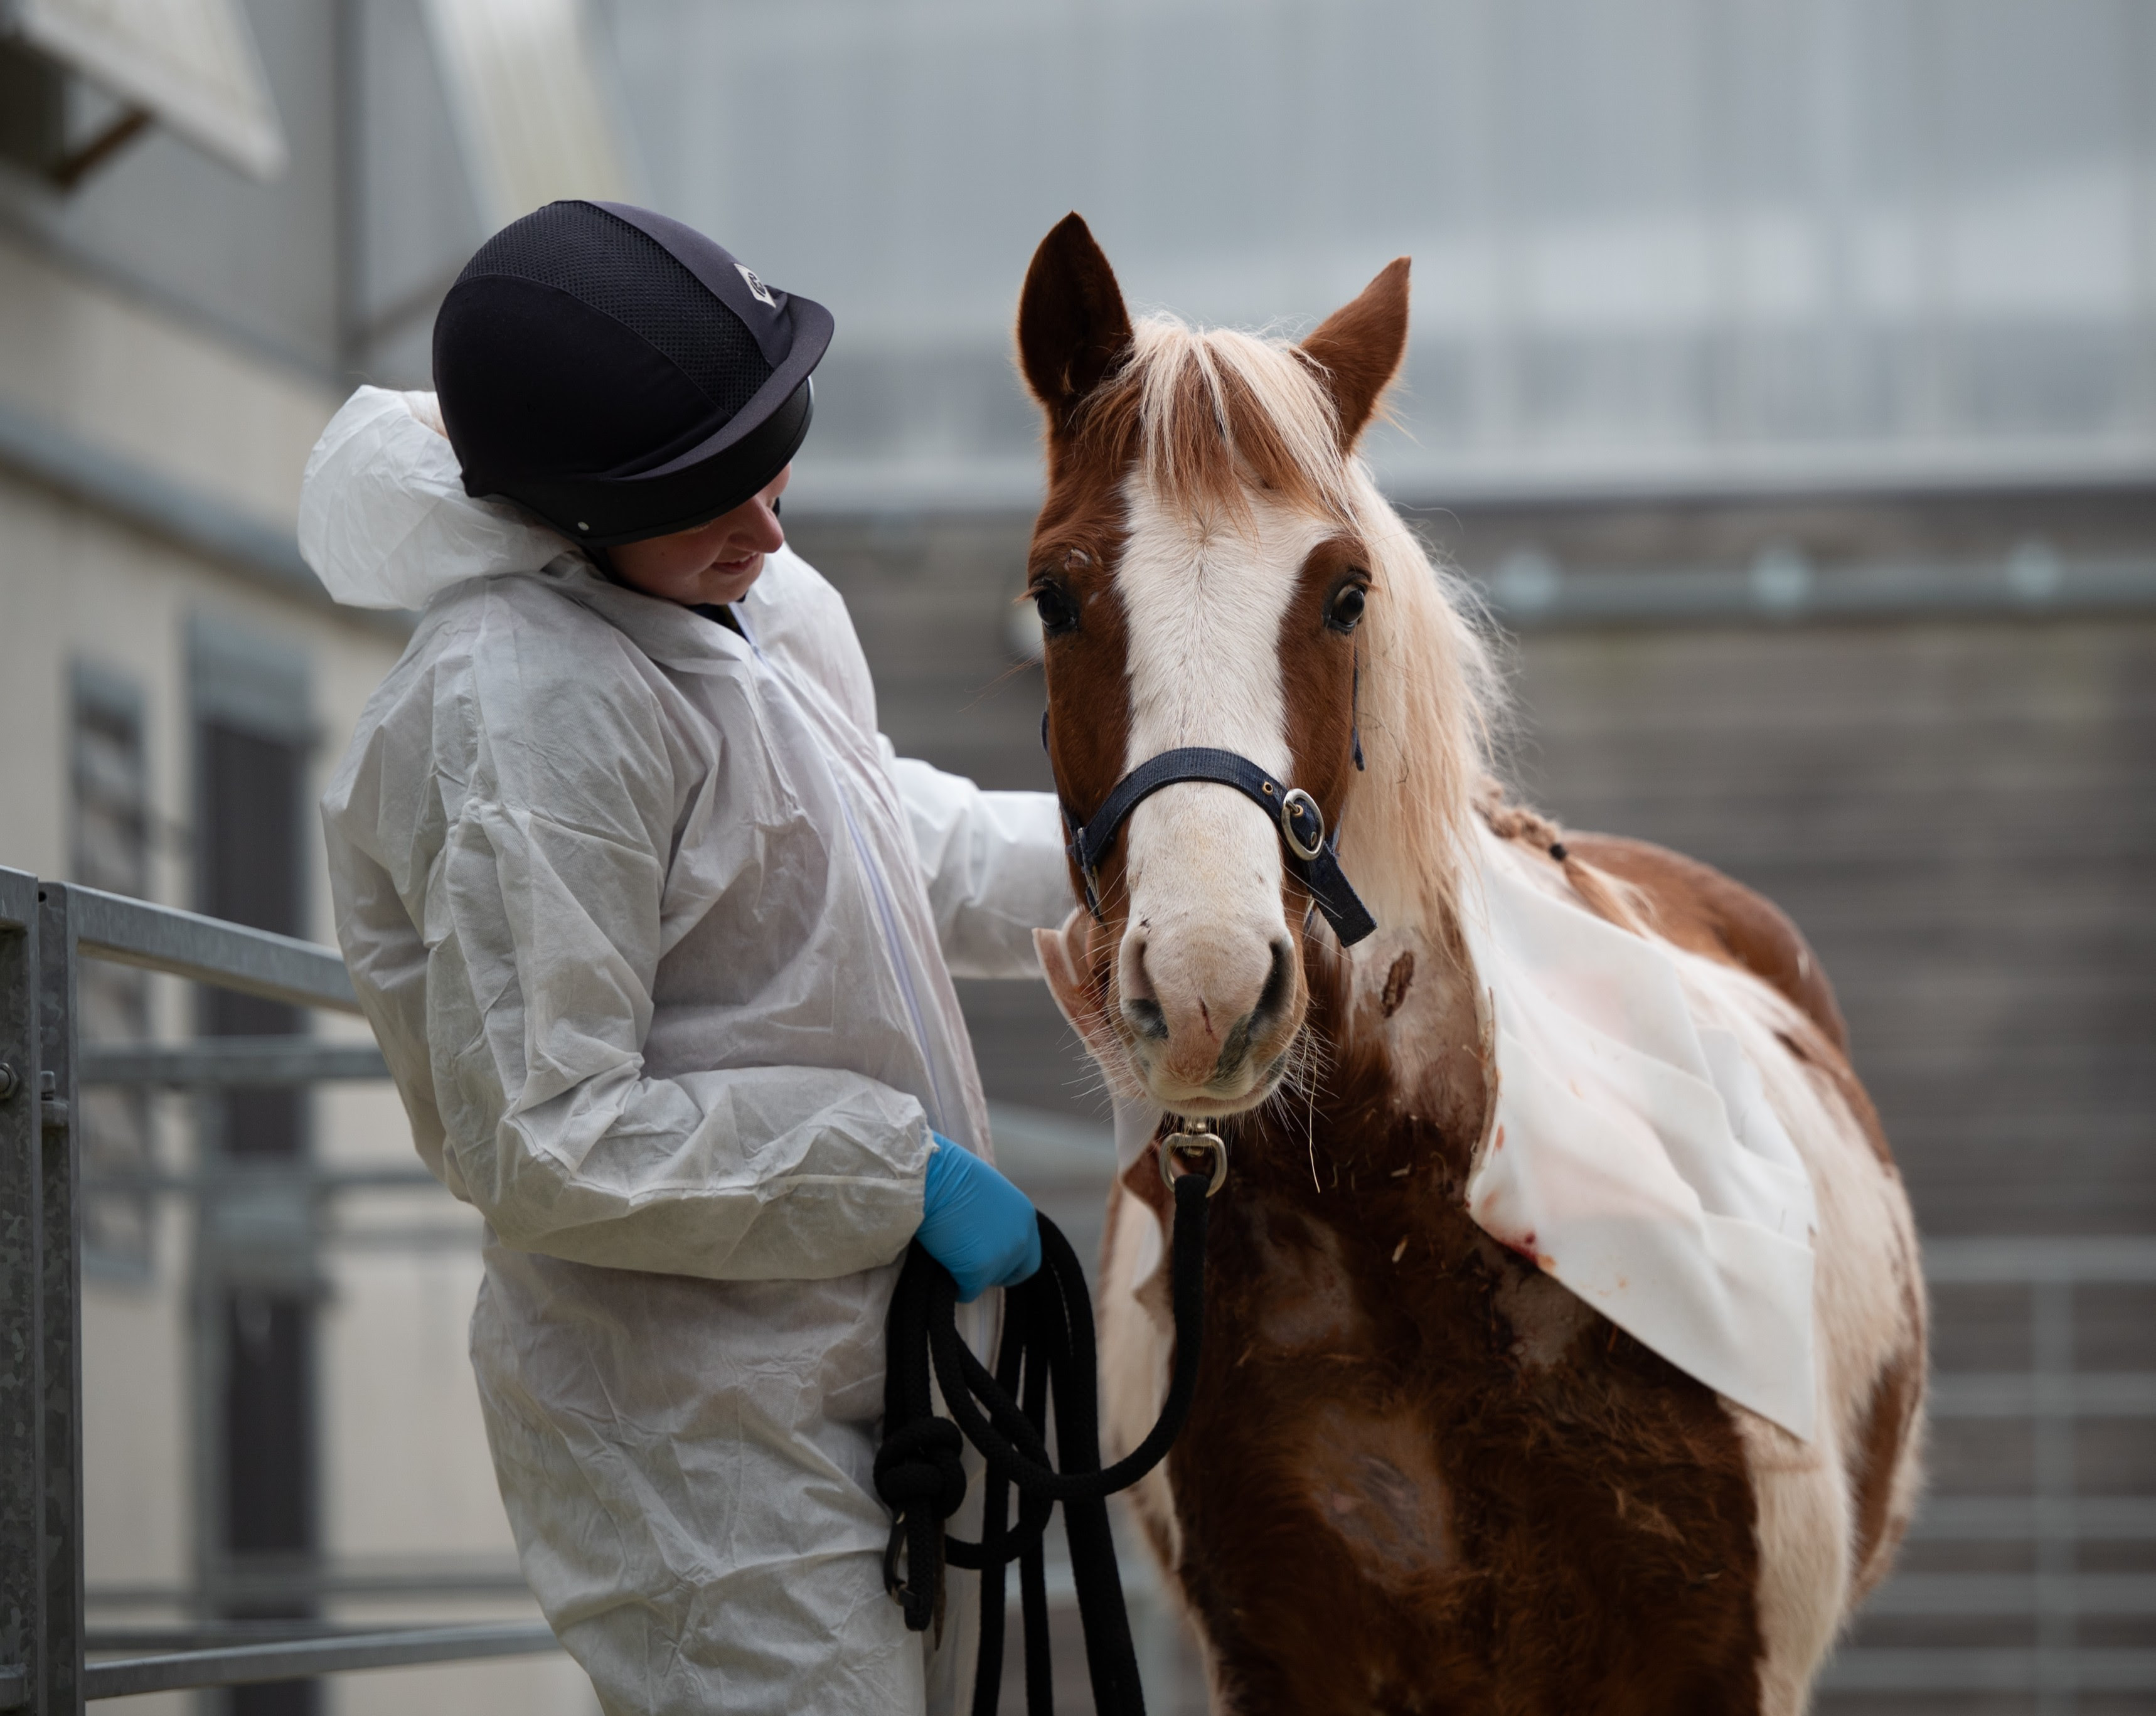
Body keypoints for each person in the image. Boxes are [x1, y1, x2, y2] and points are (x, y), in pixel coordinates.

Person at [304, 200, 1072, 1716]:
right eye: (711, 497)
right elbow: (546, 1134)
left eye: (771, 462)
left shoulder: (739, 593)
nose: (770, 527)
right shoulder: (524, 710)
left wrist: (1122, 850)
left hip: (875, 1368)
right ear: (566, 508)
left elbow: (858, 835)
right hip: (696, 1444)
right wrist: (891, 1174)